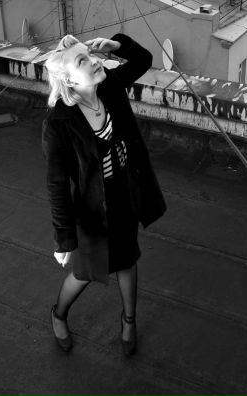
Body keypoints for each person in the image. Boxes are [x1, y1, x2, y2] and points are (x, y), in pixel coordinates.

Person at [42, 33, 166, 356]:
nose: (95, 61)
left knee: (127, 260)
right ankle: (58, 314)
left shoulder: (109, 86)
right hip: (92, 211)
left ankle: (129, 321)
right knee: (85, 272)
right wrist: (63, 239)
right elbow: (57, 184)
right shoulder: (58, 124)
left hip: (124, 195)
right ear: (69, 80)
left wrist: (118, 46)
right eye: (82, 60)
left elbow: (144, 61)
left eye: (91, 54)